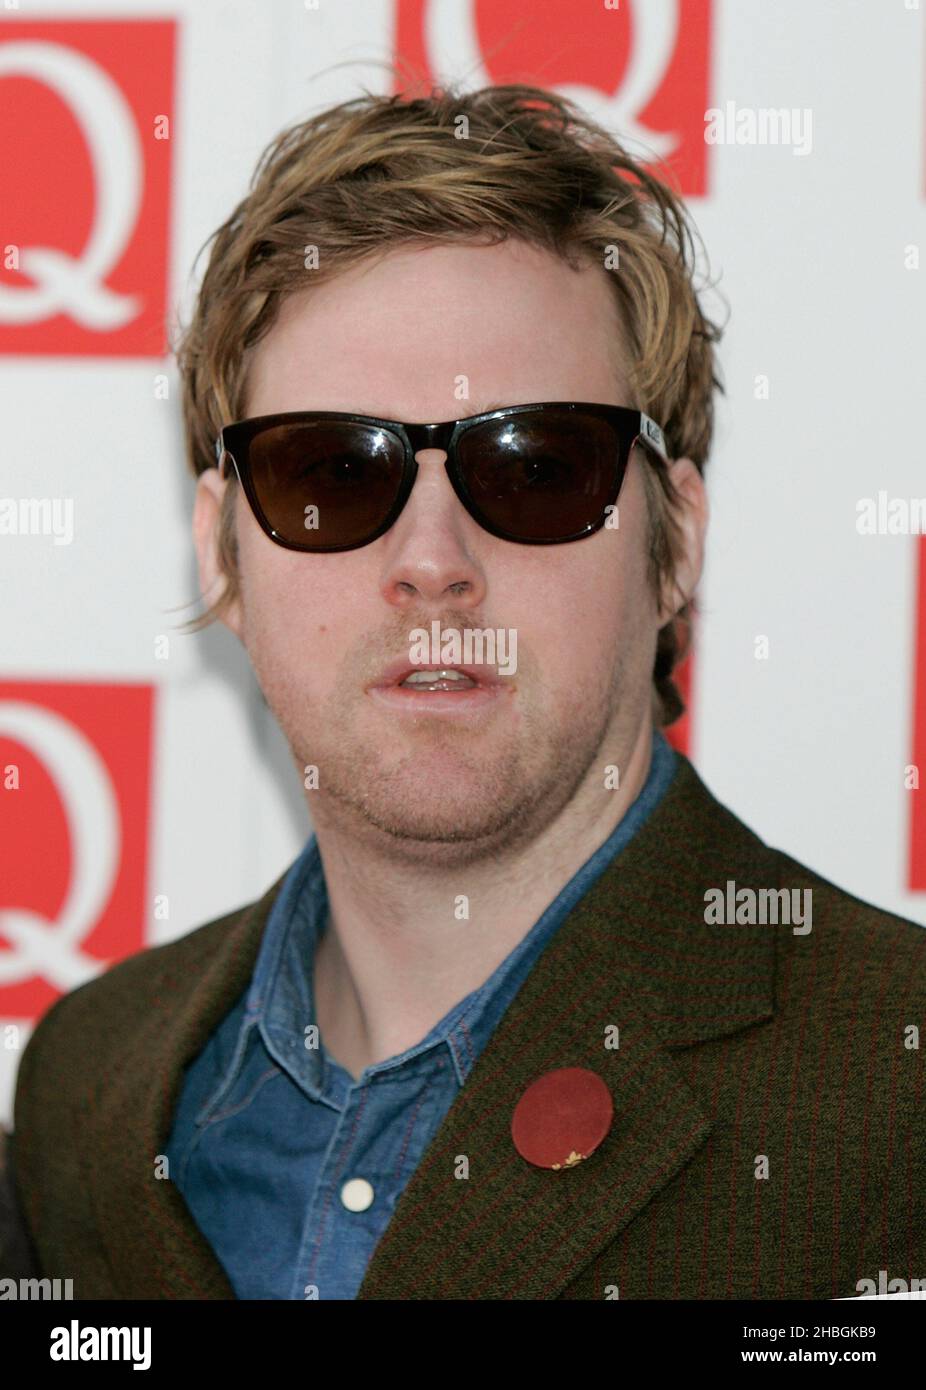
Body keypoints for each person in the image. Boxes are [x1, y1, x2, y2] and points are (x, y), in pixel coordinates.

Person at [7, 84, 925, 1301]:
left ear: (675, 542)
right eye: (330, 469)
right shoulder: (89, 1085)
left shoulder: (891, 1097)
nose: (430, 563)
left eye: (534, 466)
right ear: (224, 552)